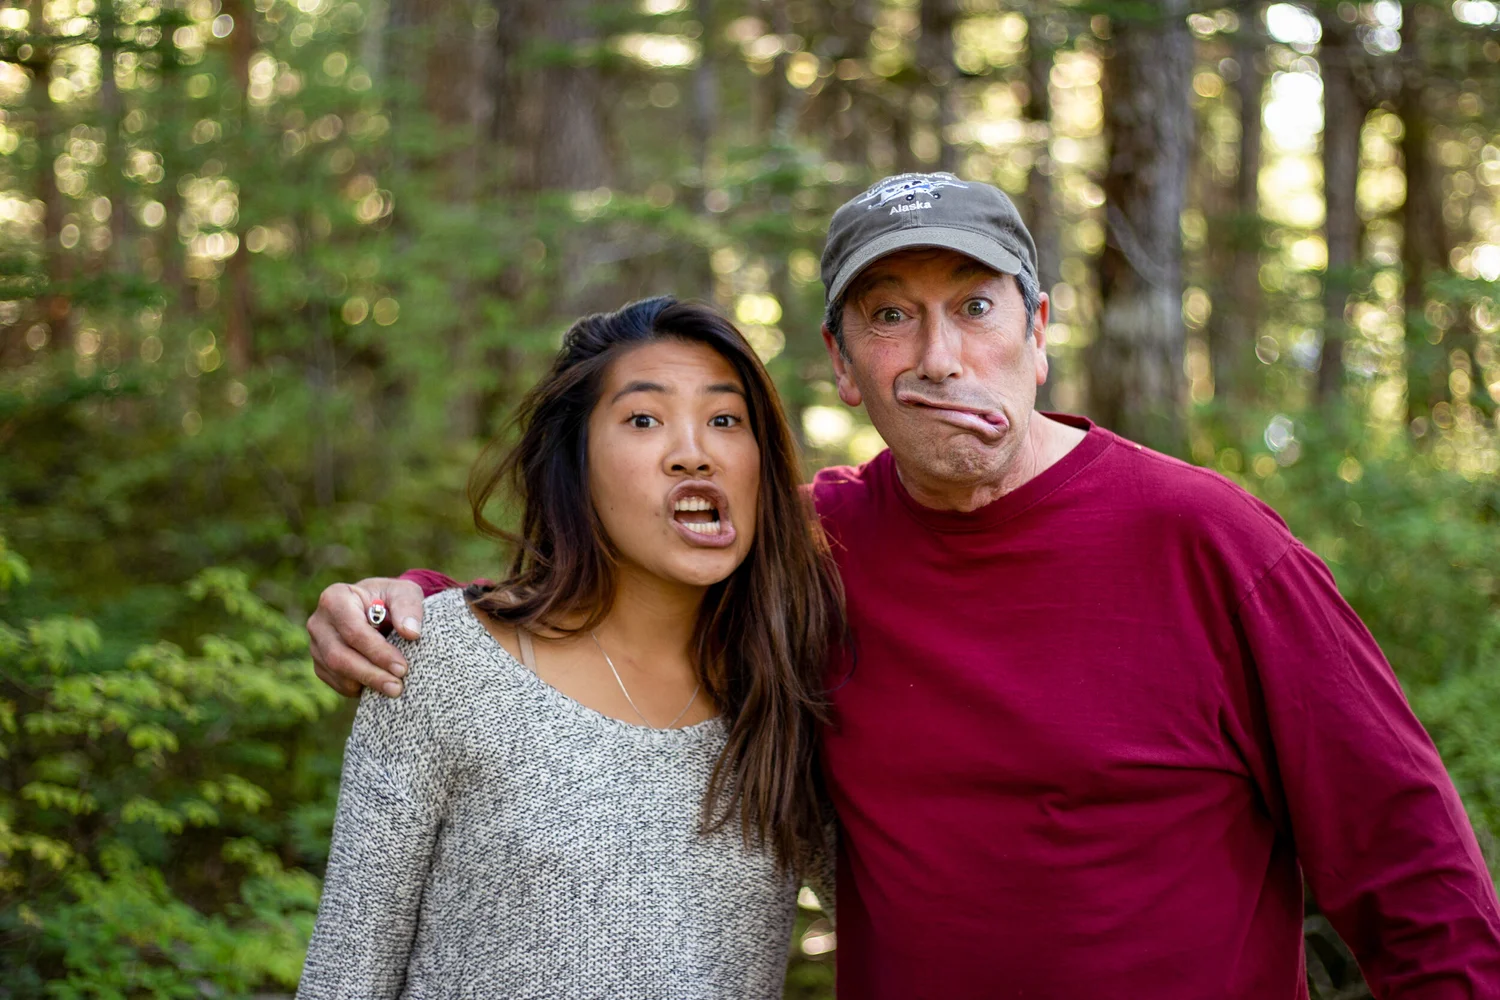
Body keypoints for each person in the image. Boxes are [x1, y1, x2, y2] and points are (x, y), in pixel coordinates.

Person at [308, 173, 1500, 998]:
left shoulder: (1212, 543)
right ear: (843, 362)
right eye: (891, 317)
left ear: (1036, 329)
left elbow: (1413, 870)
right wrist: (411, 604)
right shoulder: (818, 551)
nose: (939, 356)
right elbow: (618, 588)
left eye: (974, 308)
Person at [297, 297, 840, 998]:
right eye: (644, 419)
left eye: (725, 420)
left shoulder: (787, 701)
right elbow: (348, 973)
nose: (693, 453)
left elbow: (909, 925)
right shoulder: (445, 667)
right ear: (573, 461)